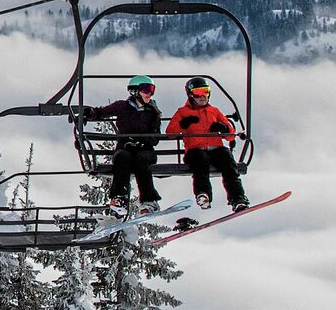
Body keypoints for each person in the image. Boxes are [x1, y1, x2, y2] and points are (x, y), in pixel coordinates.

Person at [82, 73, 165, 213]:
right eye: (146, 89)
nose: (149, 94)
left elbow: (155, 138)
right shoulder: (122, 106)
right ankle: (119, 198)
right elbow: (101, 112)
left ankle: (148, 200)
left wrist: (143, 141)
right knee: (122, 158)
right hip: (124, 148)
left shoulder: (153, 112)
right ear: (135, 91)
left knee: (141, 160)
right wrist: (88, 113)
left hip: (145, 150)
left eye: (152, 90)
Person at [167, 75, 247, 213]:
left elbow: (230, 133)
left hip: (216, 149)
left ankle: (238, 198)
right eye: (198, 93)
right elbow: (170, 133)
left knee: (228, 162)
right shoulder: (183, 112)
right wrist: (182, 124)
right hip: (195, 150)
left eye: (205, 92)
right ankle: (203, 194)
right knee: (200, 162)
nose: (202, 96)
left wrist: (224, 129)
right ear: (191, 95)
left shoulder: (214, 111)